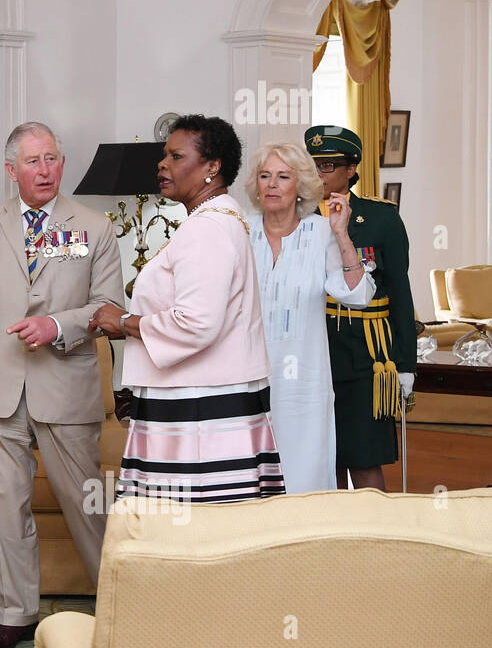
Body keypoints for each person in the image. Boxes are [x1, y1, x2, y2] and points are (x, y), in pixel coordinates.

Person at [0, 122, 123, 648]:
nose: (45, 169)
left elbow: (108, 308)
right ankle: (17, 612)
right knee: (9, 505)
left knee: (85, 504)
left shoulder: (94, 228)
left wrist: (58, 326)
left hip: (65, 385)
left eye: (52, 159)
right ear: (12, 171)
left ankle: (119, 606)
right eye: (33, 162)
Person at [89, 115, 285, 504]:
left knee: (193, 527)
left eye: (176, 156)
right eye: (164, 156)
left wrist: (125, 322)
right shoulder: (221, 220)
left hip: (198, 409)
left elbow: (197, 324)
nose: (162, 165)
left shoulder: (207, 228)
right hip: (208, 397)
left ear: (213, 167)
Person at [245, 142, 375, 494]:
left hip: (302, 385)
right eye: (265, 175)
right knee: (247, 482)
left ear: (299, 185)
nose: (272, 184)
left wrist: (342, 233)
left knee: (302, 481)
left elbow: (358, 295)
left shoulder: (320, 233)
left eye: (283, 176)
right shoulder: (240, 231)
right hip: (245, 379)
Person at [304, 125, 417, 491]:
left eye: (327, 165)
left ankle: (378, 540)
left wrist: (406, 363)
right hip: (312, 348)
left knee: (363, 458)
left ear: (351, 169)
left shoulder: (380, 218)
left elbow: (400, 291)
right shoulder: (295, 218)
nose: (317, 173)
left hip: (365, 352)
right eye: (311, 164)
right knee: (324, 459)